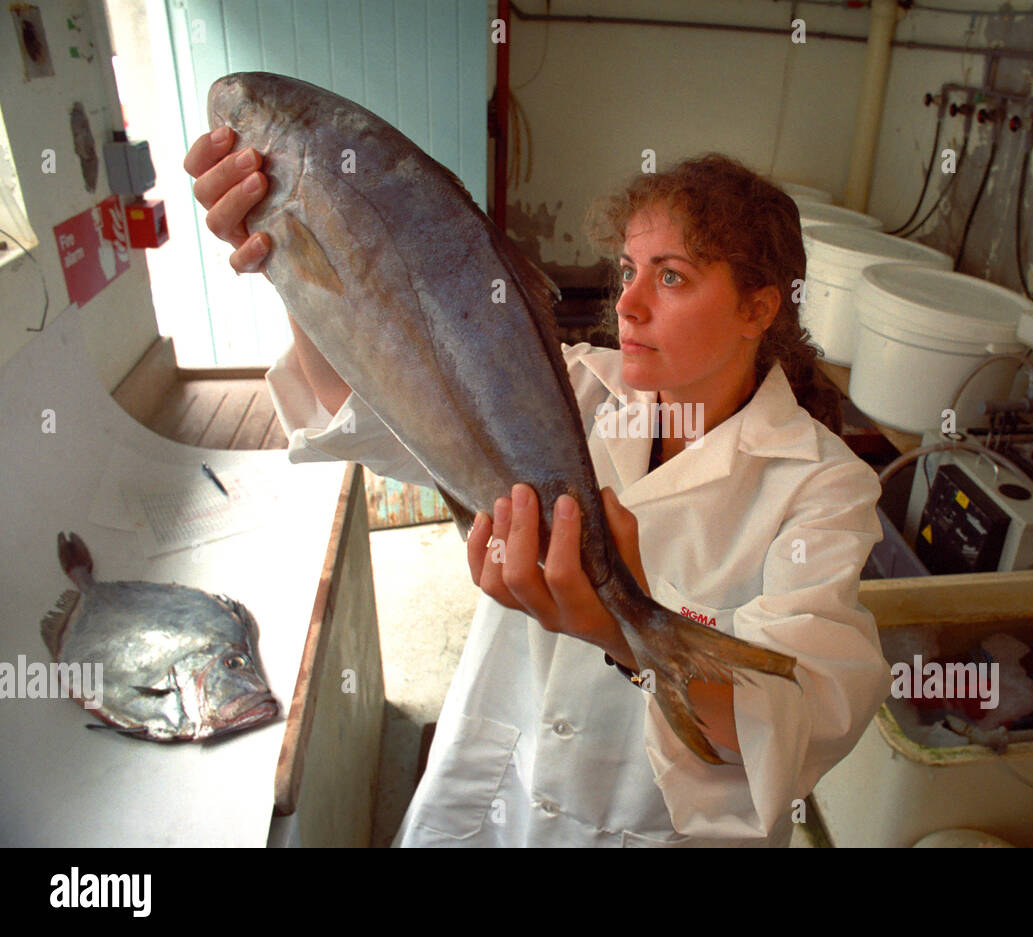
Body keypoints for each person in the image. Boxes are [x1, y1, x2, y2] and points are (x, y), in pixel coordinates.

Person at [185, 130, 890, 847]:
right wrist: (289, 257)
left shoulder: (824, 484)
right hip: (496, 799)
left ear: (758, 309)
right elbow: (367, 412)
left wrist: (621, 629)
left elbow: (800, 719)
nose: (630, 304)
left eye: (671, 276)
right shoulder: (570, 385)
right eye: (628, 271)